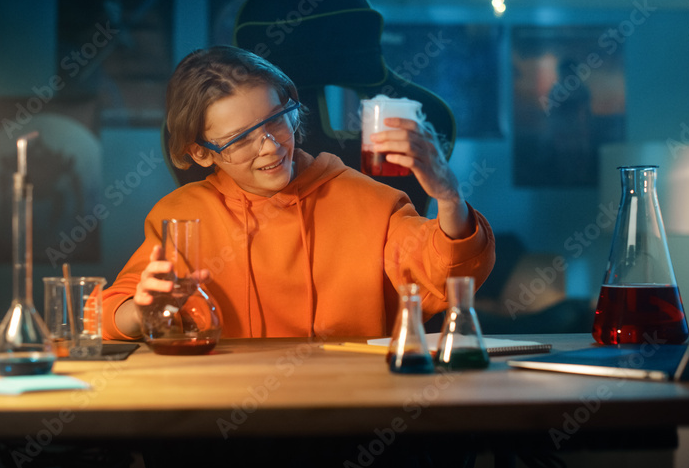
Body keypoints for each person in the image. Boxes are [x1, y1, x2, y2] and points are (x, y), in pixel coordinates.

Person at [100, 45, 494, 341]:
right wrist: (140, 311)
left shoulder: (370, 202)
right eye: (240, 140)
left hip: (353, 413)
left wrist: (448, 197)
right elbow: (107, 313)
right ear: (201, 153)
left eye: (276, 121)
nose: (270, 146)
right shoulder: (181, 216)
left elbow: (448, 276)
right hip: (228, 420)